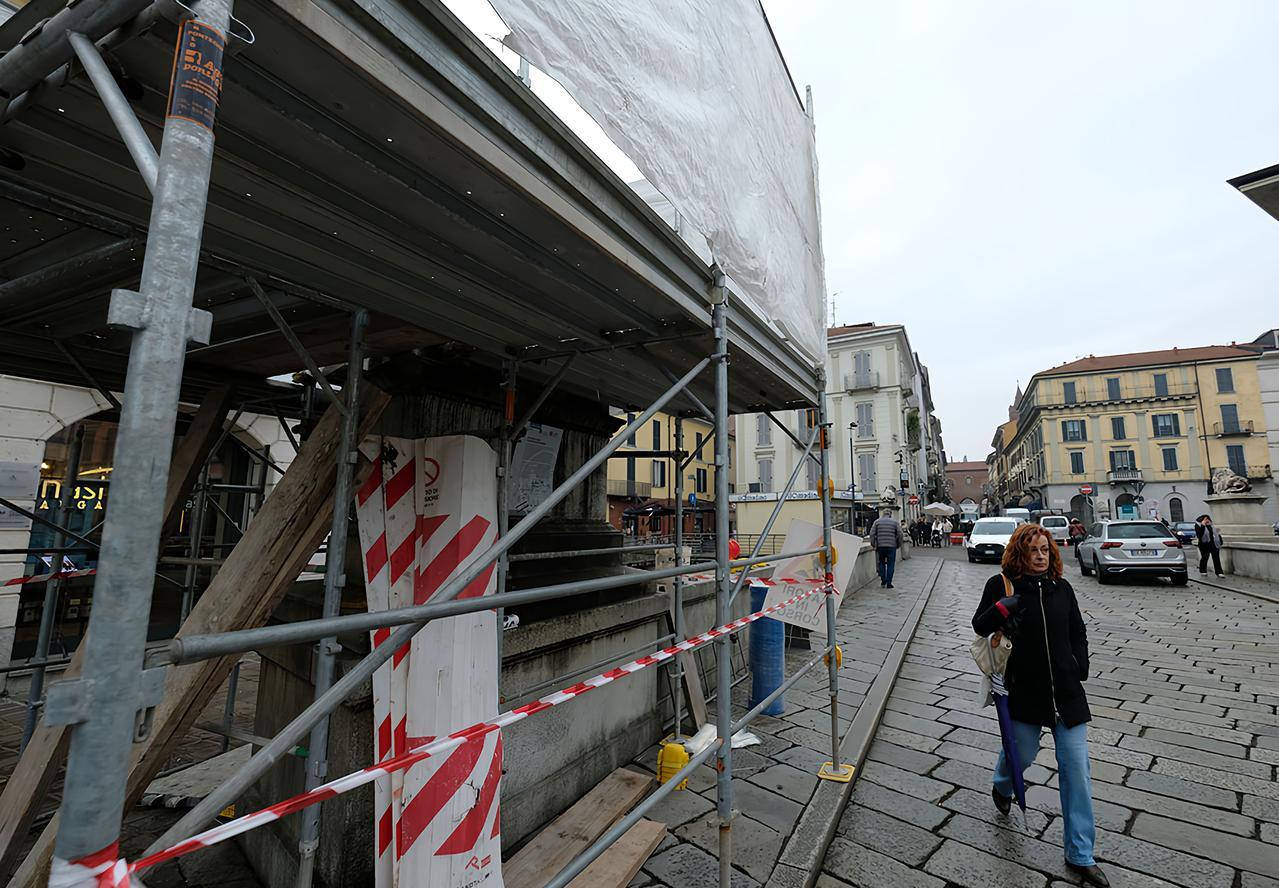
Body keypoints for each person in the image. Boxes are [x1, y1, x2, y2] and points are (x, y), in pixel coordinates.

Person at [972, 524, 1107, 887]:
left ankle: (1080, 854)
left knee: (1076, 769)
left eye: (1045, 550)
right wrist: (1002, 608)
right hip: (1025, 691)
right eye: (1033, 550)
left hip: (1067, 693)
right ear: (1019, 552)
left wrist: (1080, 663)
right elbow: (979, 624)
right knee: (1022, 754)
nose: (1040, 556)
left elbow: (1077, 630)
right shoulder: (1002, 585)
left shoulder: (1062, 588)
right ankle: (1003, 785)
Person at [868, 508, 903, 588]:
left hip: (881, 546)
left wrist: (873, 544)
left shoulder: (877, 522)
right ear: (890, 514)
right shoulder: (895, 522)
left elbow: (872, 533)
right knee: (891, 564)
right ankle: (889, 582)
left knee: (881, 562)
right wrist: (898, 544)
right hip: (891, 546)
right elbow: (900, 534)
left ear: (882, 514)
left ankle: (883, 580)